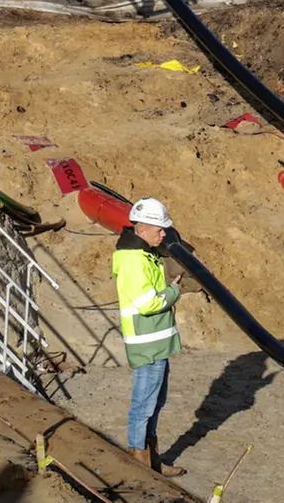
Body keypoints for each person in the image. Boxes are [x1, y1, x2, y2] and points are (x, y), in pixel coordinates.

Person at [113, 197, 187, 477]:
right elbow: (147, 304)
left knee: (155, 401)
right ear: (143, 229)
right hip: (147, 344)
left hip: (156, 342)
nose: (164, 234)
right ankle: (139, 464)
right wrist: (173, 292)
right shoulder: (134, 260)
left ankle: (151, 460)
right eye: (160, 230)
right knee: (144, 404)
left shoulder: (144, 255)